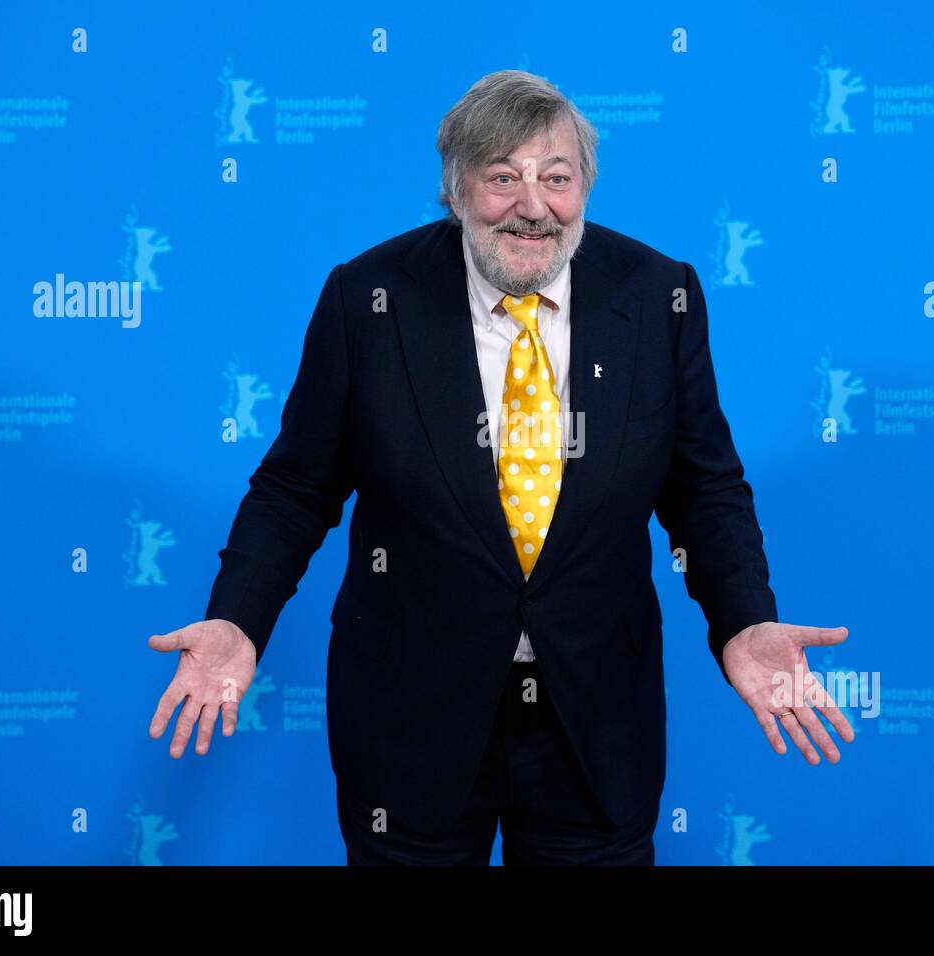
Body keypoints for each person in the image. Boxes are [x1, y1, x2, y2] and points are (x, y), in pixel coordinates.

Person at [148, 69, 854, 865]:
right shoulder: (369, 299)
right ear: (455, 191)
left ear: (584, 186)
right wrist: (239, 619)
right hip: (412, 721)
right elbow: (294, 487)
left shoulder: (660, 297)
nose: (533, 205)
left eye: (558, 178)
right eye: (502, 178)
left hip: (593, 724)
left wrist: (745, 617)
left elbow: (704, 487)